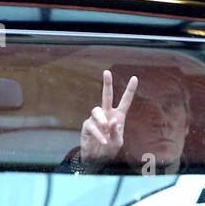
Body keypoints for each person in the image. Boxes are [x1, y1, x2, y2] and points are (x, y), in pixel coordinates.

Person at [63, 66, 192, 175]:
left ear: (187, 122)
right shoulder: (98, 169)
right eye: (142, 108)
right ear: (119, 126)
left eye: (171, 104)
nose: (161, 121)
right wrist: (88, 165)